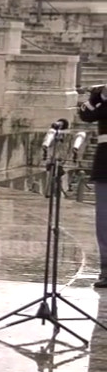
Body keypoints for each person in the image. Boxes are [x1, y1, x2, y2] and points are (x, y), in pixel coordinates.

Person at [77, 86, 107, 288]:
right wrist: (94, 98)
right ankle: (106, 269)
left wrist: (98, 98)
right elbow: (86, 115)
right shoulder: (102, 103)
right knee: (104, 220)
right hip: (105, 162)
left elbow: (97, 112)